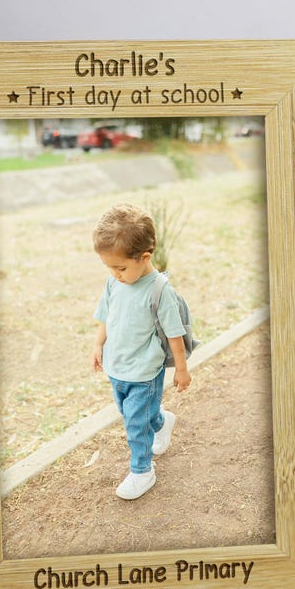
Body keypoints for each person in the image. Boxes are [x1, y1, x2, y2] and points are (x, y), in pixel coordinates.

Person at [91, 204, 191, 500]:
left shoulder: (160, 291)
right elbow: (107, 315)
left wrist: (182, 370)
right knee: (129, 412)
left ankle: (141, 471)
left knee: (135, 423)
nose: (115, 274)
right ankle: (161, 420)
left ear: (144, 258)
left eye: (120, 267)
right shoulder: (114, 282)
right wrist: (98, 344)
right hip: (117, 366)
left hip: (145, 372)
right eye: (109, 267)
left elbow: (175, 335)